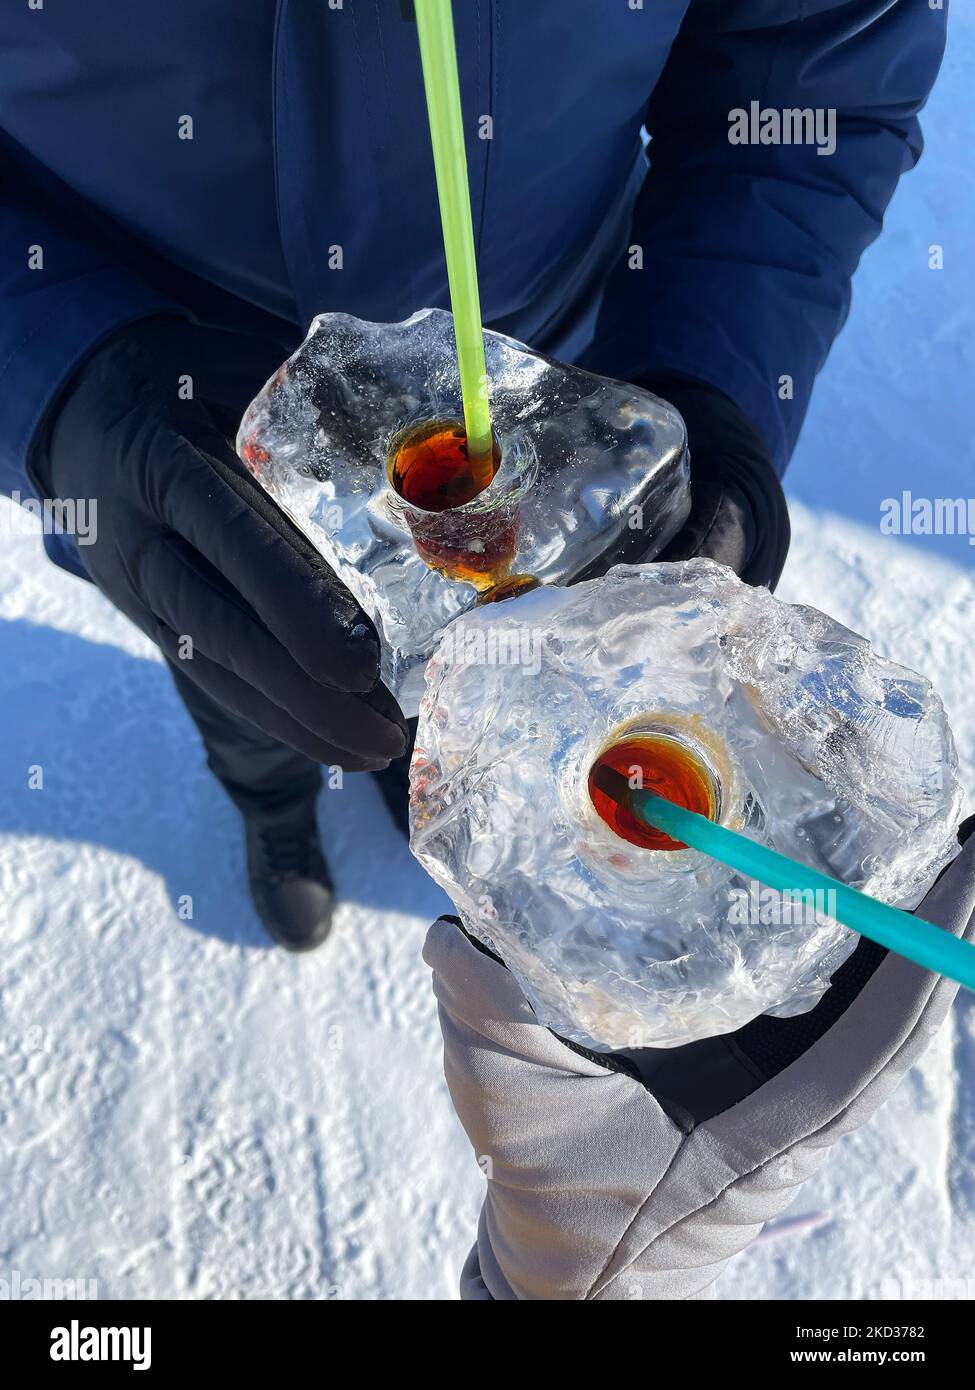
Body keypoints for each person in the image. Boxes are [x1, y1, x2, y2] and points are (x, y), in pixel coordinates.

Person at [0, 0, 944, 953]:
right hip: (180, 422)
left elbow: (815, 71)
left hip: (540, 384)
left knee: (452, 680)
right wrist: (55, 369)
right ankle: (272, 807)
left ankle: (398, 763)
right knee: (239, 664)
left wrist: (712, 365)